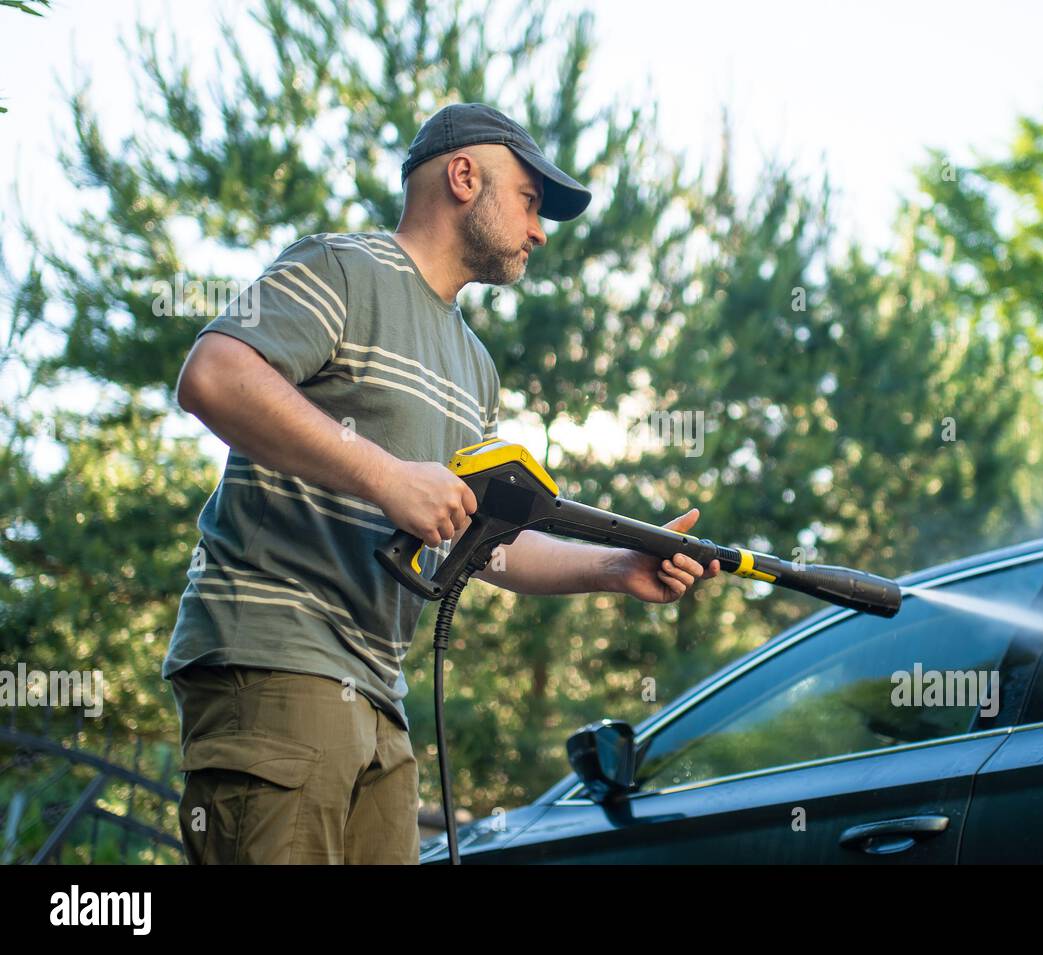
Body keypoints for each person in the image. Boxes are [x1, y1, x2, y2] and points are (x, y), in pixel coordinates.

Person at [163, 102, 720, 864]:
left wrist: (616, 568)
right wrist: (388, 476)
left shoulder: (475, 364)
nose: (540, 230)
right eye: (529, 200)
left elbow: (482, 540)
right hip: (275, 661)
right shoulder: (340, 267)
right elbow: (215, 375)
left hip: (380, 698)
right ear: (464, 176)